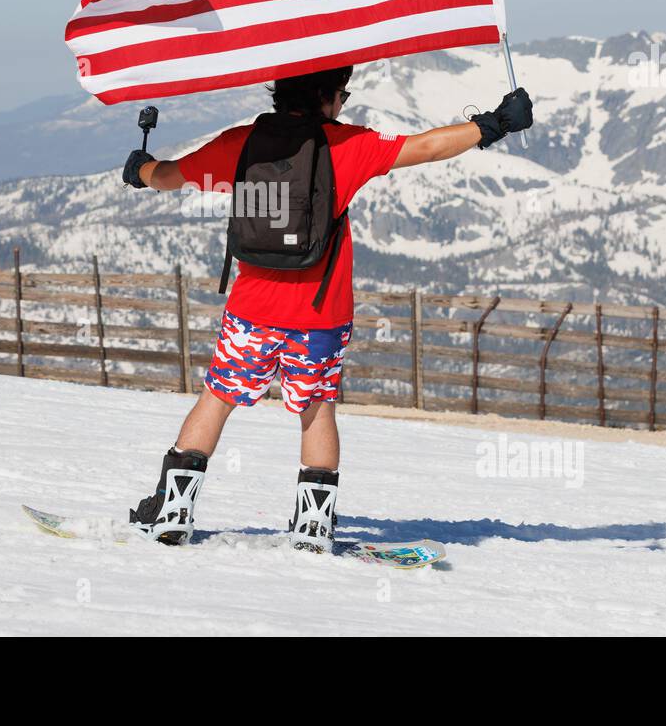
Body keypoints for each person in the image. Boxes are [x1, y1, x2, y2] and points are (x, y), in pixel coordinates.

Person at [120, 66, 533, 550]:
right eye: (342, 94)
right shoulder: (344, 146)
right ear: (325, 97)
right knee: (316, 409)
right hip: (321, 313)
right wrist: (494, 124)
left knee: (218, 398)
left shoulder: (240, 143)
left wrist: (140, 170)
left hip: (253, 310)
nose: (343, 104)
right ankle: (313, 528)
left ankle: (172, 513)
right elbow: (426, 147)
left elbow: (170, 176)